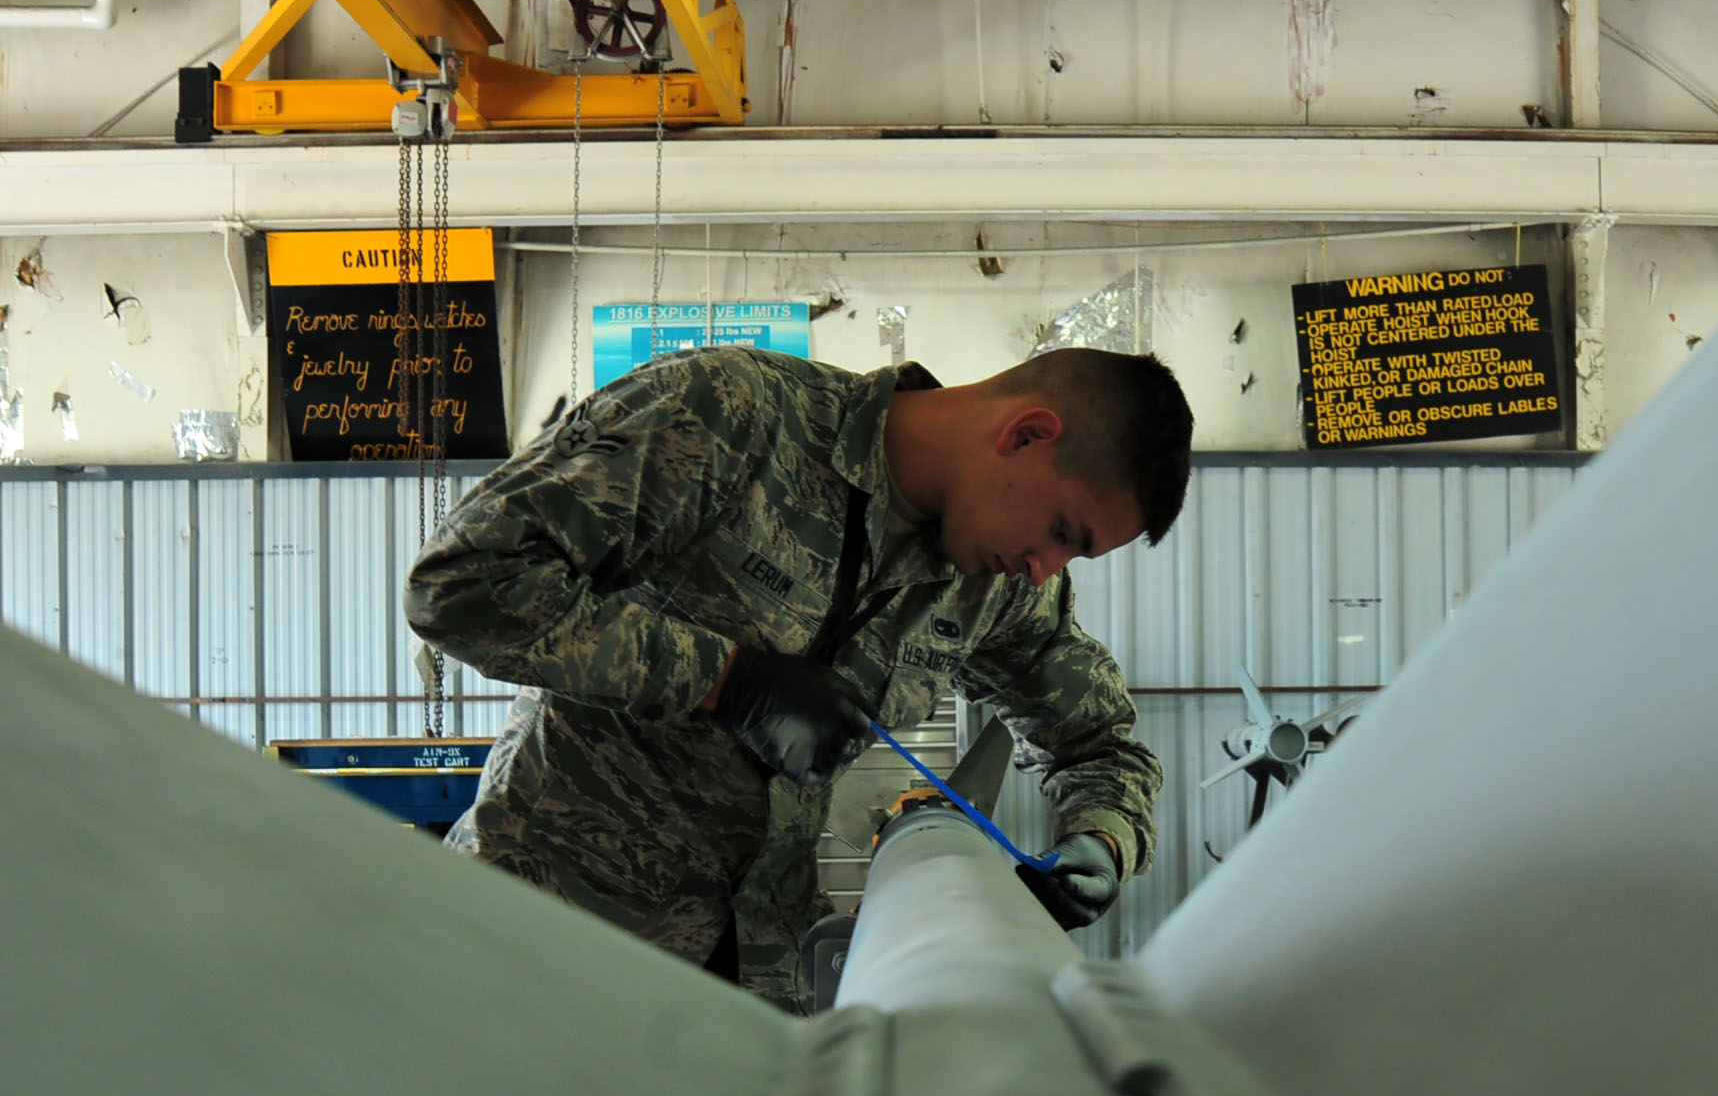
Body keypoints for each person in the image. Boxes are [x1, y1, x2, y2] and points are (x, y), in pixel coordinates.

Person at [405, 343, 1188, 1012]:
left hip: (744, 986)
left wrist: (1103, 838)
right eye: (1061, 532)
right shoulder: (728, 417)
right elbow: (463, 584)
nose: (1043, 567)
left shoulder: (998, 588)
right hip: (546, 942)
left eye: (1072, 558)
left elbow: (1098, 744)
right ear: (1025, 434)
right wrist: (727, 680)